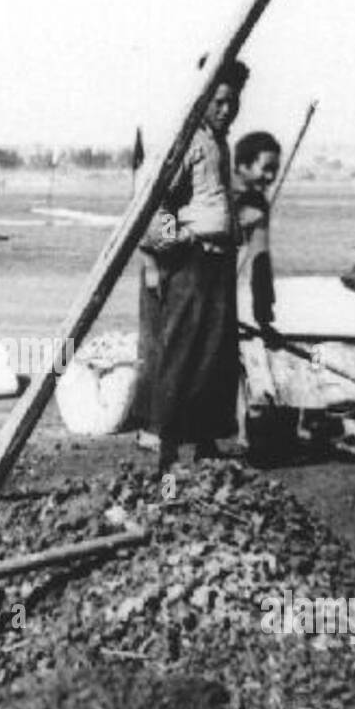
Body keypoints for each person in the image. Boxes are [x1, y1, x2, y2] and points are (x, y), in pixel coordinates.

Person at [132, 59, 248, 473]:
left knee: (216, 353)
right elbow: (157, 198)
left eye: (231, 102)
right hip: (192, 260)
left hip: (218, 261)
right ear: (202, 100)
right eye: (218, 101)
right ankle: (164, 444)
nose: (225, 109)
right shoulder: (189, 141)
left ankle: (206, 440)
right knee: (183, 349)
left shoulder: (220, 142)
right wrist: (171, 240)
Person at [231, 130, 282, 450]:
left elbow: (261, 263)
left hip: (222, 285)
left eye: (275, 170)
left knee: (233, 358)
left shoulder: (257, 205)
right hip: (191, 280)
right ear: (242, 166)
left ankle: (242, 432)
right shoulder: (217, 188)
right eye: (266, 169)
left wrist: (264, 316)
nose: (271, 177)